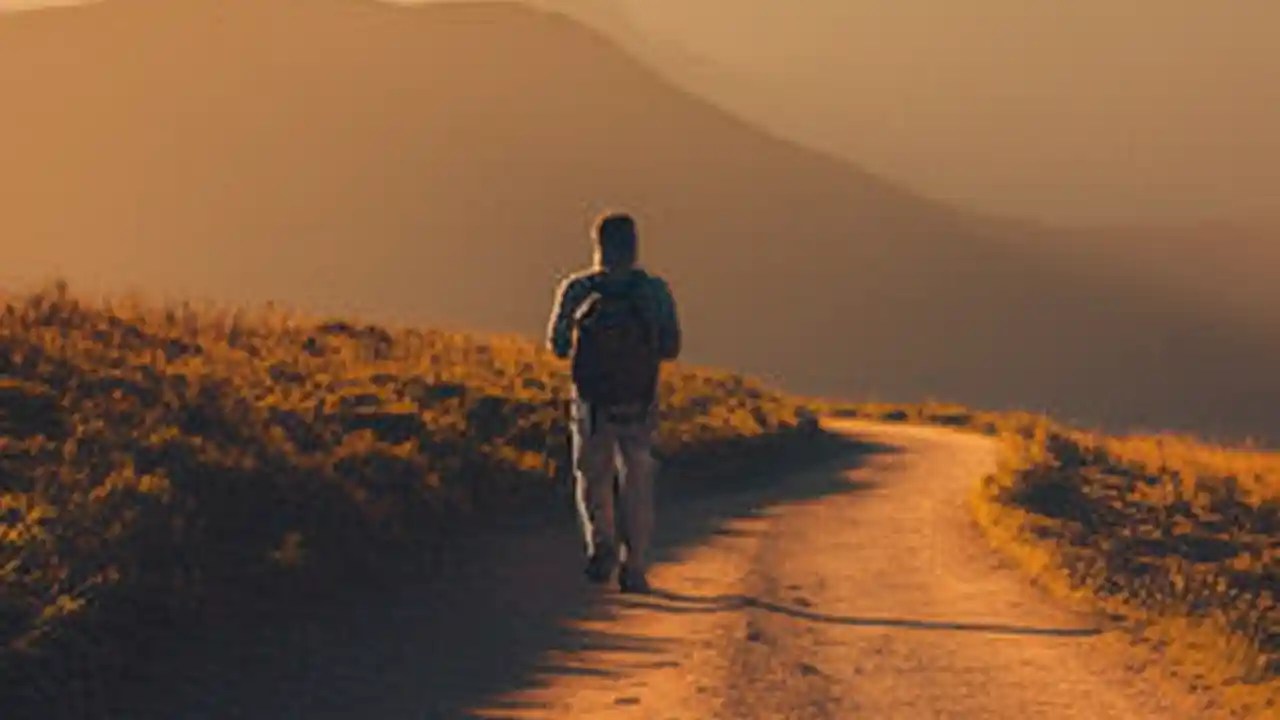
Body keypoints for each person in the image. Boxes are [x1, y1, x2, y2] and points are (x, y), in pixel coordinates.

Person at [546, 211, 681, 594]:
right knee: (638, 478)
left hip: (592, 404)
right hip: (639, 401)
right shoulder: (654, 291)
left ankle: (602, 543)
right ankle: (634, 566)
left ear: (598, 244)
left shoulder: (578, 289)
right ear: (634, 245)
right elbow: (671, 347)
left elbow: (557, 346)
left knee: (593, 475)